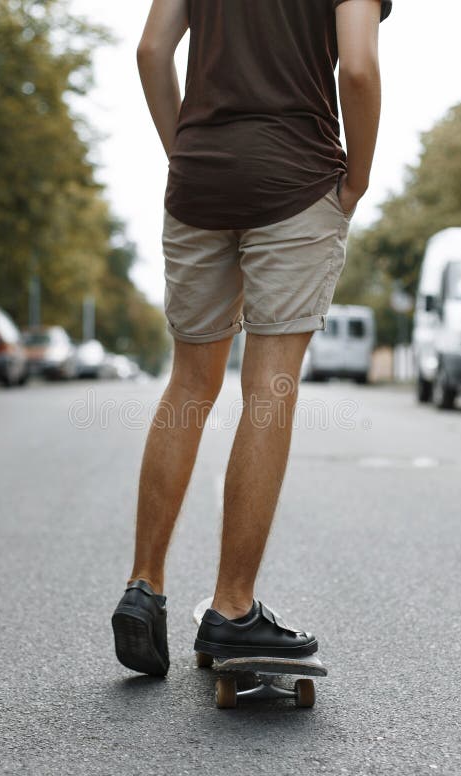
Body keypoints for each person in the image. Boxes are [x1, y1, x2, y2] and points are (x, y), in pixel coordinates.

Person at [112, 0, 392, 676]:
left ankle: (143, 587)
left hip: (199, 178)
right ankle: (233, 609)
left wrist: (186, 149)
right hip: (294, 176)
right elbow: (356, 66)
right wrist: (358, 175)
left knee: (188, 383)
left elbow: (152, 51)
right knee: (270, 387)